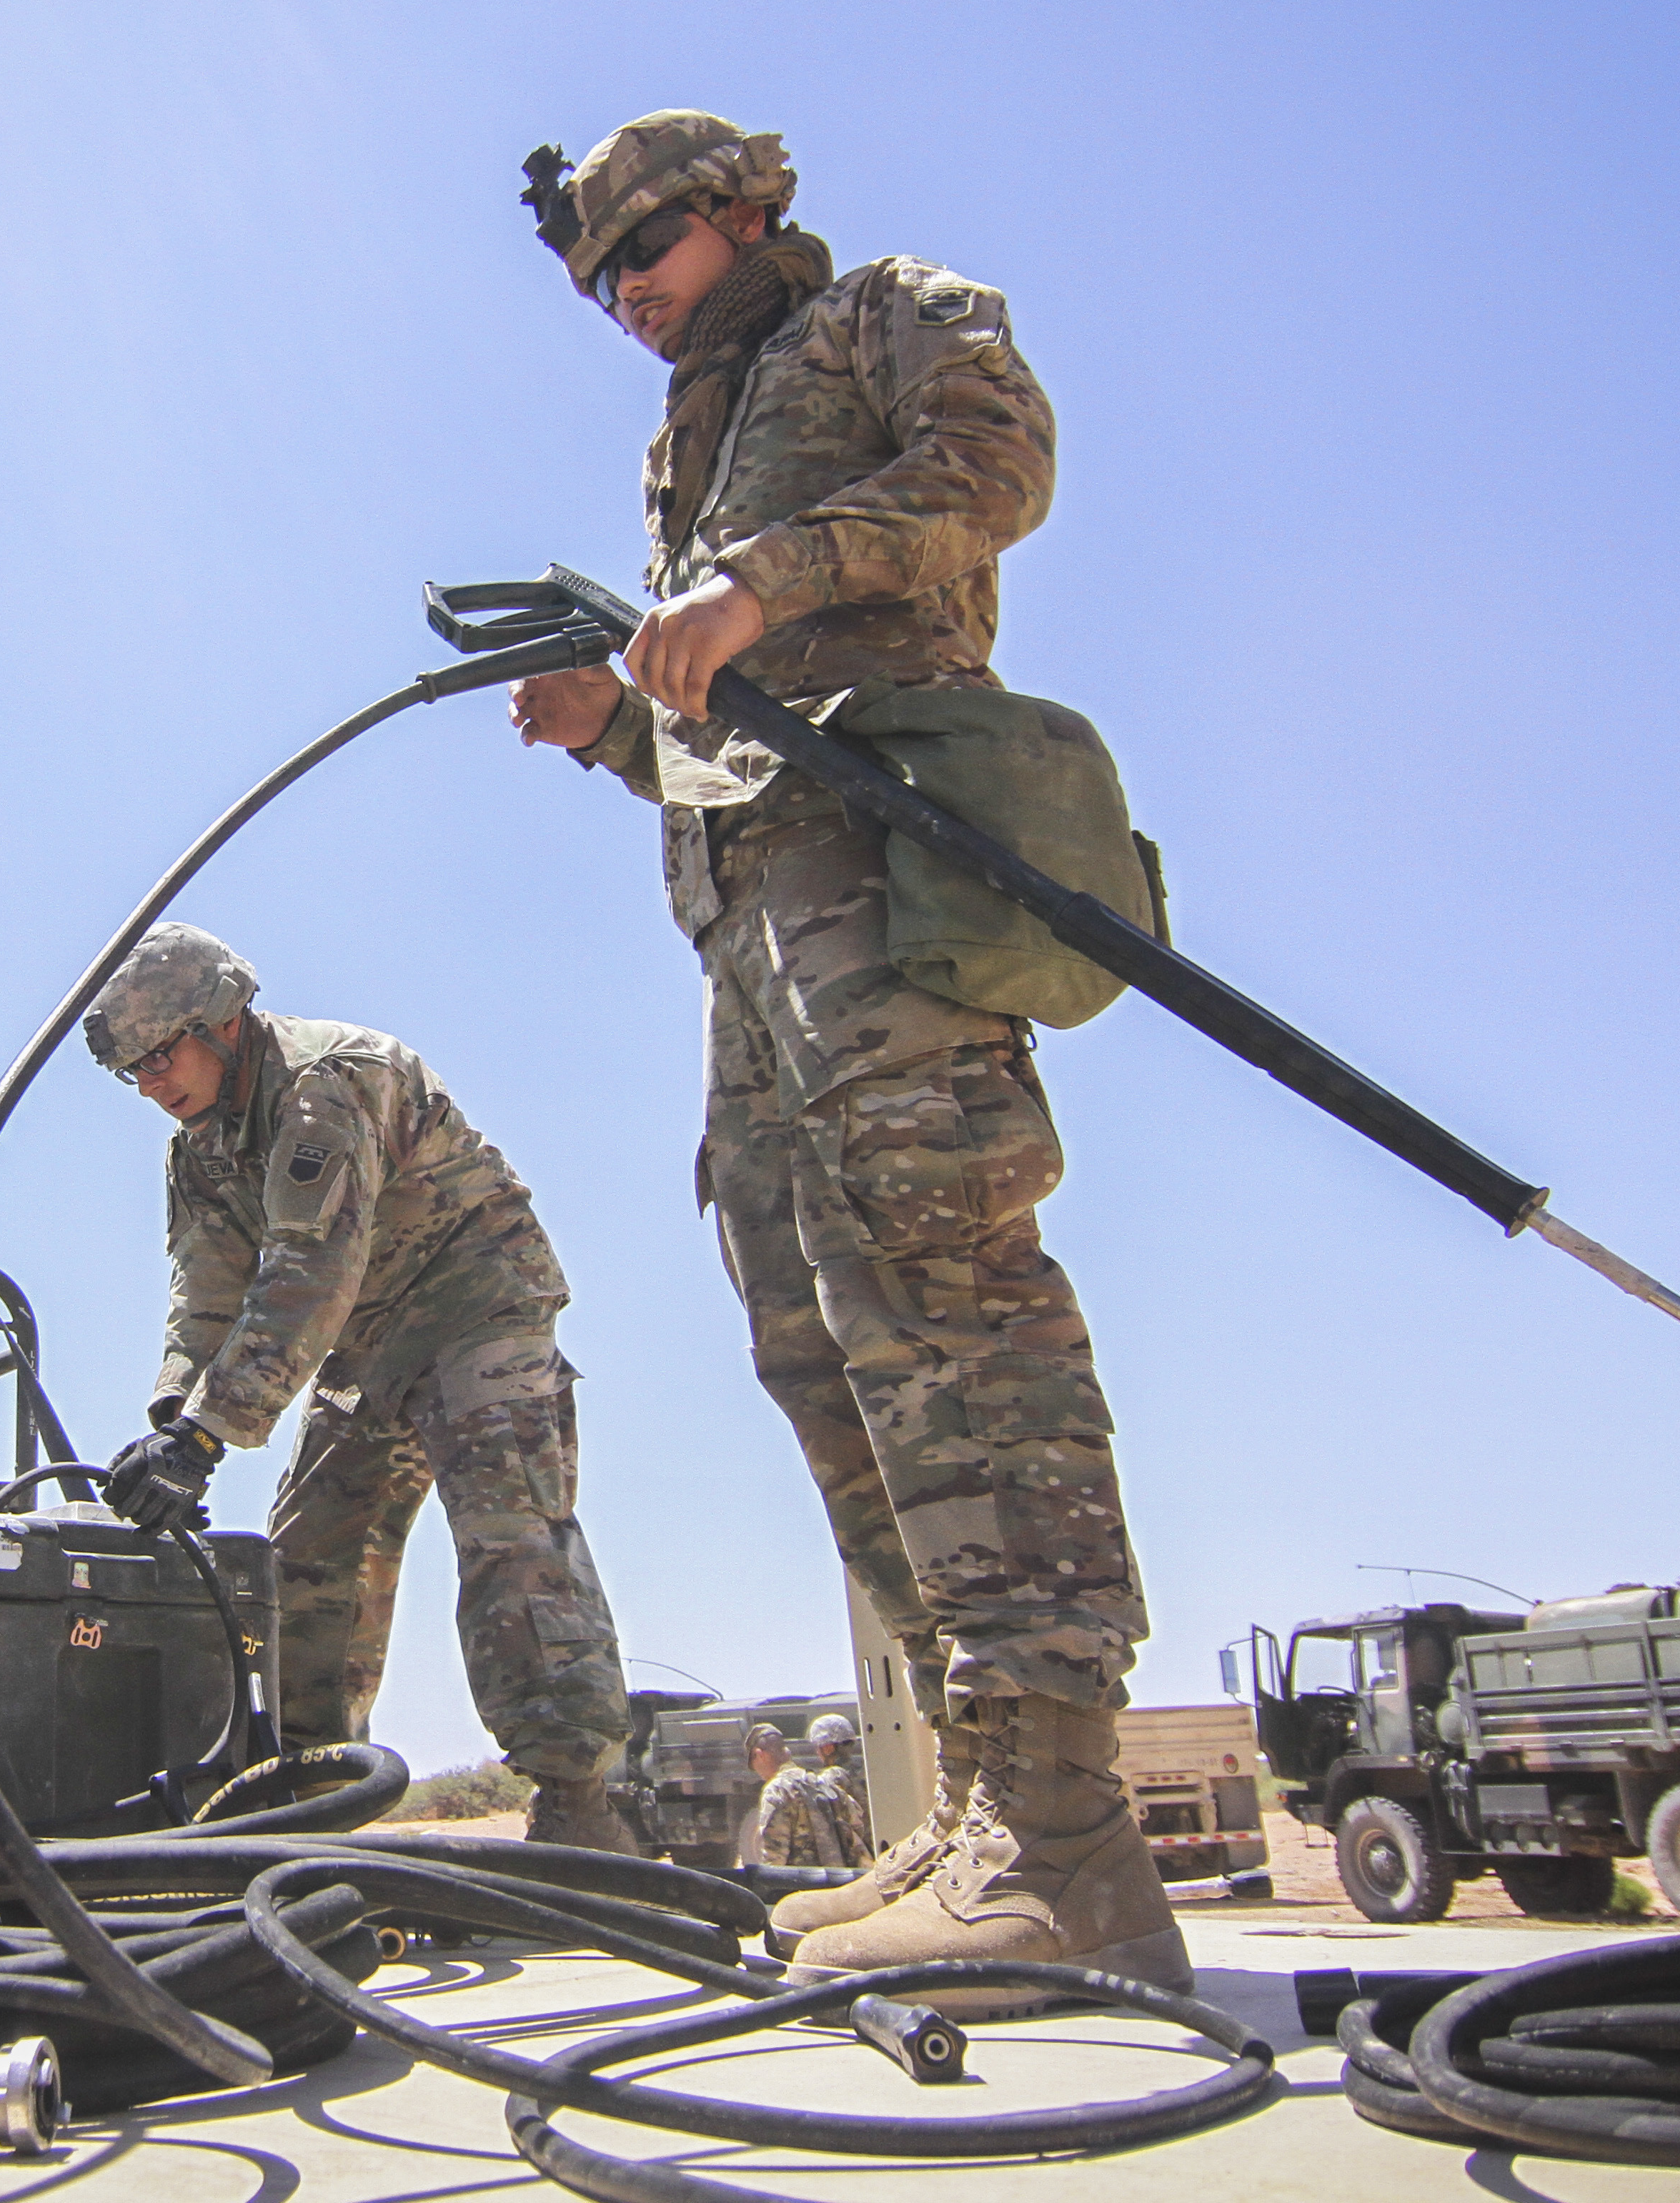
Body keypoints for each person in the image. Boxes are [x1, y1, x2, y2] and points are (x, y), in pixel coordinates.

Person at [505, 111, 1181, 2004]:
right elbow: (734, 717)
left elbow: (997, 465)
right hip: (753, 916)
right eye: (594, 281)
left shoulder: (883, 314)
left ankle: (1066, 1830)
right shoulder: (684, 438)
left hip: (886, 877)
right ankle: (981, 1801)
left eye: (636, 252)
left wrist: (767, 573)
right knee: (814, 1330)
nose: (621, 296)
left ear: (730, 211)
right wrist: (609, 723)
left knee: (946, 1281)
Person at [82, 926, 637, 1851]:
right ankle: (317, 1808)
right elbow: (206, 1294)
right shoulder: (198, 1149)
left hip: (473, 1307)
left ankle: (579, 1807)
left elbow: (307, 1271)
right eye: (129, 1070)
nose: (150, 1083)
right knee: (305, 1563)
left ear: (222, 1021)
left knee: (509, 1539)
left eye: (160, 1053)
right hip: (361, 1341)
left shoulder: (324, 1081)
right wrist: (176, 1421)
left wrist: (211, 1432)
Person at [747, 1721, 871, 1872]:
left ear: (760, 1755)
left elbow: (774, 1859)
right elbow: (857, 1825)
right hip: (838, 1883)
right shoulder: (821, 1782)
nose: (759, 1774)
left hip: (804, 1887)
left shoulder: (776, 1790)